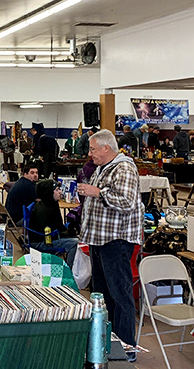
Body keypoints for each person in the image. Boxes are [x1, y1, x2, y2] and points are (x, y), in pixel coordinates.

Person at [78, 129, 143, 349]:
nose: (90, 154)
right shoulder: (102, 168)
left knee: (119, 295)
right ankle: (107, 342)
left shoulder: (124, 168)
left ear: (106, 148)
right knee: (103, 295)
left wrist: (97, 192)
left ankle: (126, 346)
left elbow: (127, 202)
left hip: (116, 241)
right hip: (99, 240)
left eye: (93, 149)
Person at [28, 179, 79, 267]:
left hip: (49, 238)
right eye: (57, 190)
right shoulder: (43, 210)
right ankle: (70, 269)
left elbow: (58, 227)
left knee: (78, 239)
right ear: (49, 192)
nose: (60, 192)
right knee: (75, 243)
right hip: (41, 242)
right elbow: (49, 233)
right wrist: (68, 233)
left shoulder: (51, 203)